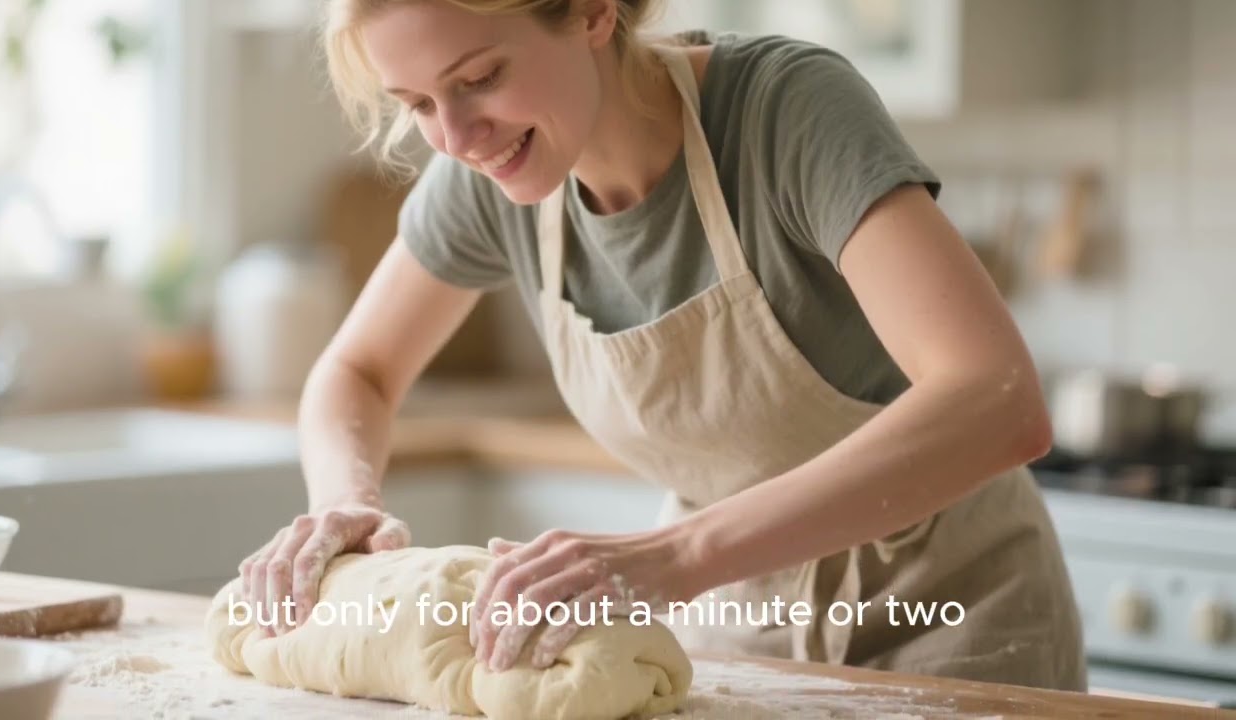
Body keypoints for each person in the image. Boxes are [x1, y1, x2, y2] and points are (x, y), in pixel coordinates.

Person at [238, 0, 1087, 692]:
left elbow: (997, 399)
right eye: (417, 105)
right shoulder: (490, 181)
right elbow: (359, 370)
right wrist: (345, 499)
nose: (457, 138)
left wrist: (676, 557)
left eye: (480, 77)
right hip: (734, 616)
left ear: (595, 13)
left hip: (945, 611)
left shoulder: (784, 111)